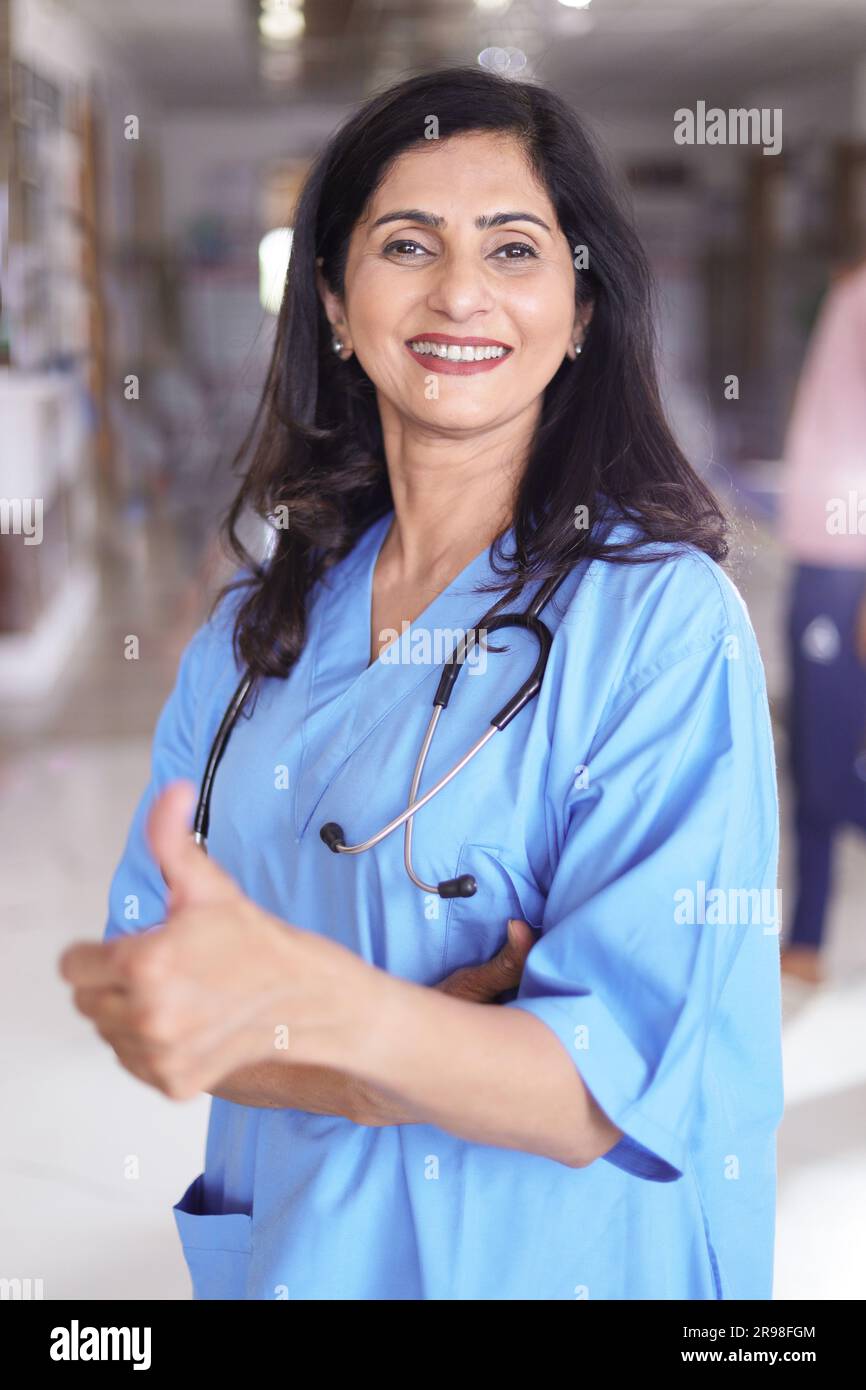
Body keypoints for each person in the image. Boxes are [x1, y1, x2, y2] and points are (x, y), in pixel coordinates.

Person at [60, 66, 783, 1301]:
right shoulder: (249, 633)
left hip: (555, 1261)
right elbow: (153, 994)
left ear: (580, 309)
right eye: (408, 243)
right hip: (298, 1250)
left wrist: (296, 1009)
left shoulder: (660, 623)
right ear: (335, 301)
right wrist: (411, 1041)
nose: (459, 291)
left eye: (513, 248)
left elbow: (594, 1091)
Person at [778, 259, 866, 988]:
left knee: (829, 764)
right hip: (819, 560)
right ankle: (804, 939)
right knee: (815, 756)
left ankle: (806, 937)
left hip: (850, 571)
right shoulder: (849, 291)